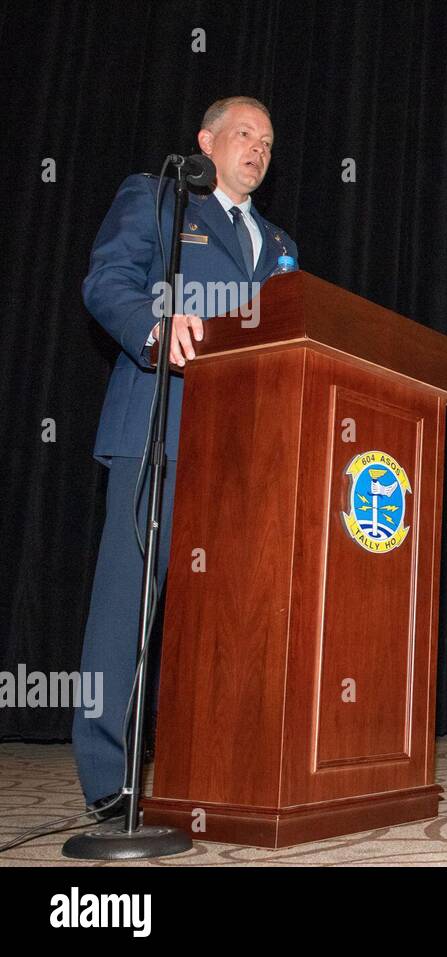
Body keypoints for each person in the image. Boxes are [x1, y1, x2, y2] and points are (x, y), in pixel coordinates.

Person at [75, 96, 299, 818]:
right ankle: (108, 779)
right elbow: (105, 282)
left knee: (231, 616)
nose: (257, 148)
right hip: (158, 432)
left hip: (243, 455)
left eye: (267, 141)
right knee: (126, 607)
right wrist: (154, 324)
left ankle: (216, 765)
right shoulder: (157, 196)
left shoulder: (280, 243)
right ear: (206, 140)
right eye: (244, 133)